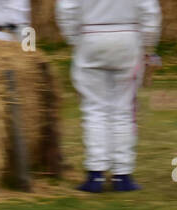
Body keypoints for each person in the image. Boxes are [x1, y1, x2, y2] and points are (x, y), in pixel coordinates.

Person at [55, 0, 162, 193]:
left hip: (91, 36)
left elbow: (66, 8)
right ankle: (122, 175)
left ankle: (95, 174)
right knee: (124, 110)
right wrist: (148, 46)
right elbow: (149, 10)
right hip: (127, 38)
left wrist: (73, 38)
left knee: (94, 109)